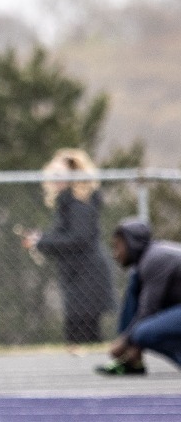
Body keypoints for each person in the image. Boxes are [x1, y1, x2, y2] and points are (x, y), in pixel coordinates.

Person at [26, 148, 113, 344]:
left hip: (88, 276)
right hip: (76, 275)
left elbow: (79, 238)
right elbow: (65, 235)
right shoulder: (66, 202)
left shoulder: (79, 203)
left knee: (84, 333)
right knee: (77, 332)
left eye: (60, 174)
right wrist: (41, 239)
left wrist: (43, 242)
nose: (56, 179)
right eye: (53, 173)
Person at [101, 219, 181, 375]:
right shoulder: (147, 260)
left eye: (117, 246)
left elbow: (148, 309)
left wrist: (124, 341)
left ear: (132, 242)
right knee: (134, 283)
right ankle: (132, 360)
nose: (115, 254)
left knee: (143, 333)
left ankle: (131, 352)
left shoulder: (155, 259)